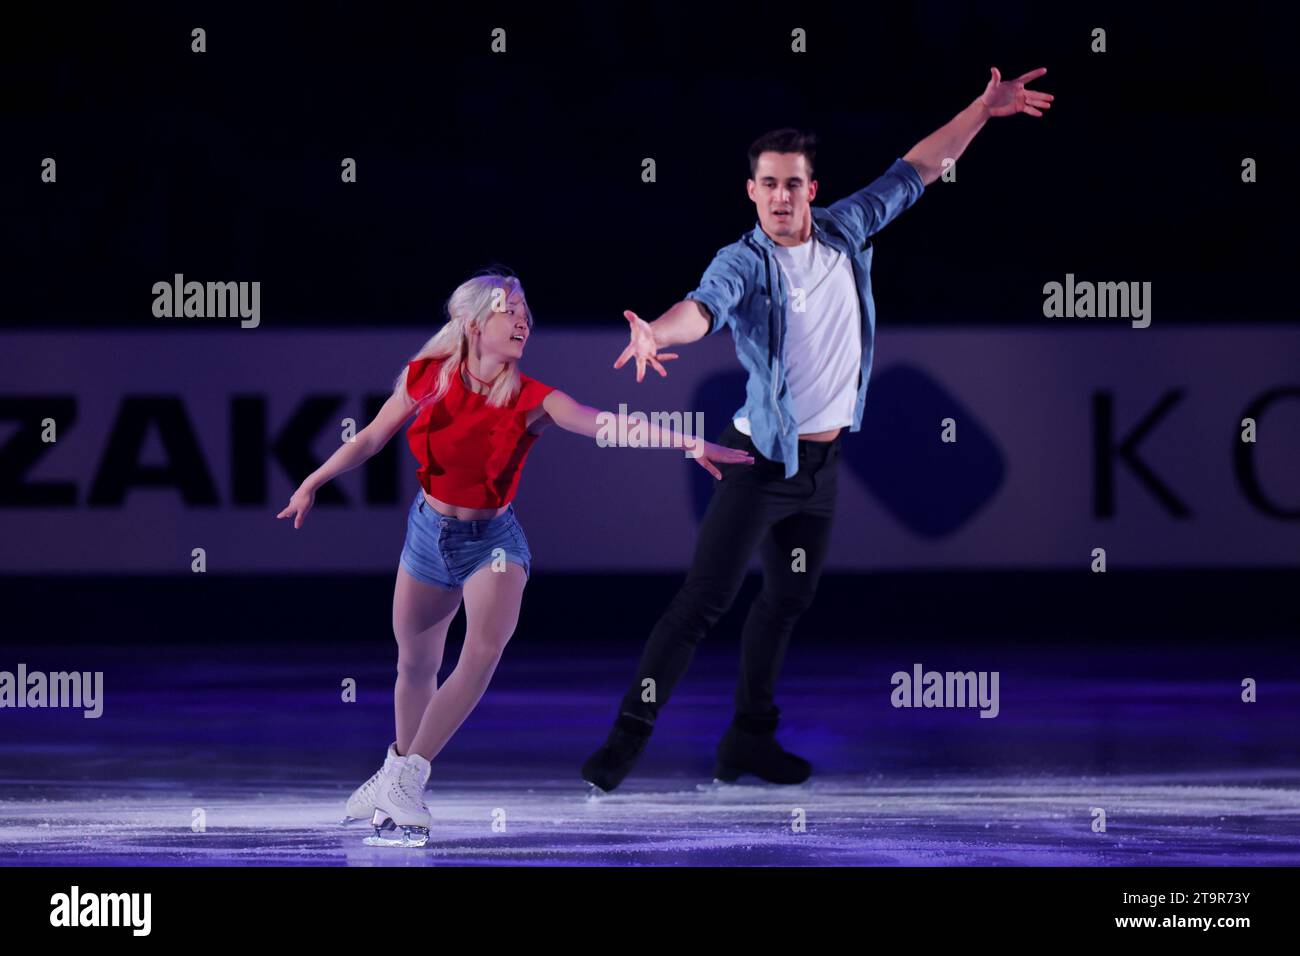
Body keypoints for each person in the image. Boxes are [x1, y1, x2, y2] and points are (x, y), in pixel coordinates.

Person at [583, 67, 1053, 791]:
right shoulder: (743, 260)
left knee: (787, 600)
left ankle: (747, 739)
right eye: (767, 183)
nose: (779, 196)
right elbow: (703, 308)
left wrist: (982, 111)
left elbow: (919, 168)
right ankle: (626, 738)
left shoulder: (847, 230)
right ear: (751, 192)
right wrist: (657, 332)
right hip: (760, 464)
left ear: (812, 189)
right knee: (703, 602)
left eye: (792, 183)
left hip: (824, 470)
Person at [276, 271, 753, 846]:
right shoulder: (426, 377)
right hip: (427, 534)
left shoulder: (533, 400)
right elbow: (371, 437)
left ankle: (405, 779)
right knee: (414, 666)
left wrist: (687, 440)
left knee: (481, 653)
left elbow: (607, 424)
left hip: (493, 544)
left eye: (527, 311)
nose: (523, 319)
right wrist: (313, 480)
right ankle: (394, 787)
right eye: (511, 310)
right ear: (475, 323)